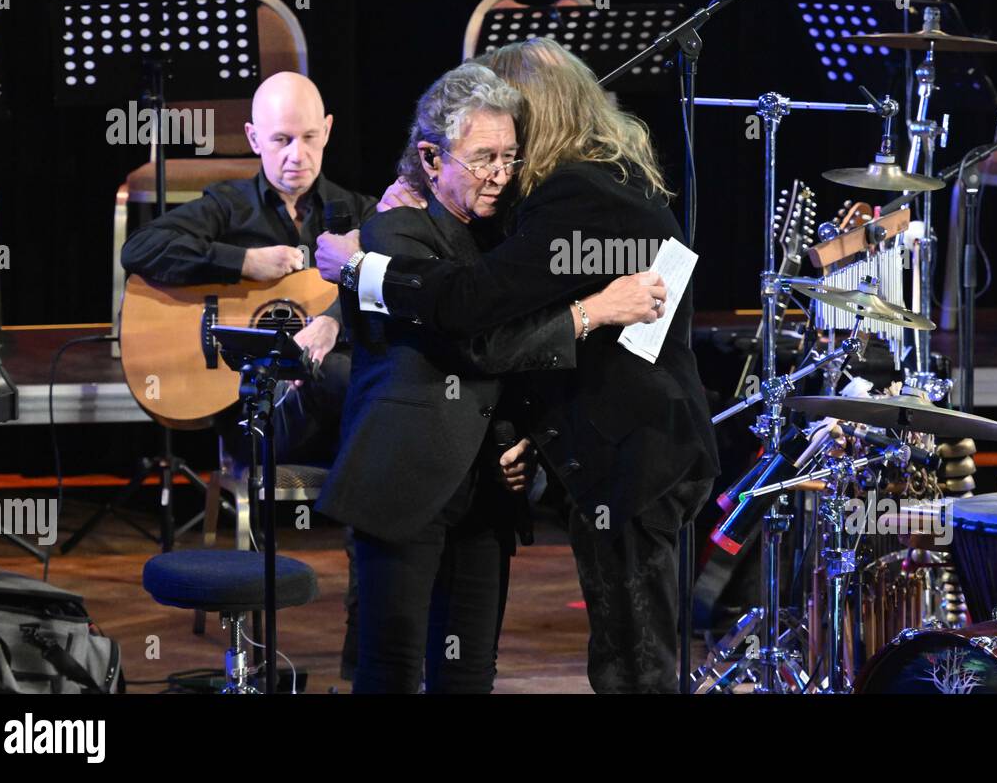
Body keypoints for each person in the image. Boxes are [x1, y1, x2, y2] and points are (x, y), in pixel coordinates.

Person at [318, 38, 719, 693]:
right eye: (486, 155)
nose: (504, 167)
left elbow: (475, 313)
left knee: (633, 668)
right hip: (639, 449)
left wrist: (358, 268)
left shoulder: (572, 195)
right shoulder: (621, 181)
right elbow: (511, 329)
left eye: (511, 143)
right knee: (628, 663)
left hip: (632, 458)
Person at [121, 70, 375, 678]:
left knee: (370, 431)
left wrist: (335, 315)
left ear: (329, 132)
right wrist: (242, 261)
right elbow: (141, 252)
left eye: (310, 138)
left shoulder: (354, 212)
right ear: (254, 138)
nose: (298, 155)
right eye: (282, 139)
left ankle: (367, 649)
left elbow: (392, 282)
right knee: (368, 414)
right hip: (258, 422)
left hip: (338, 423)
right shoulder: (228, 206)